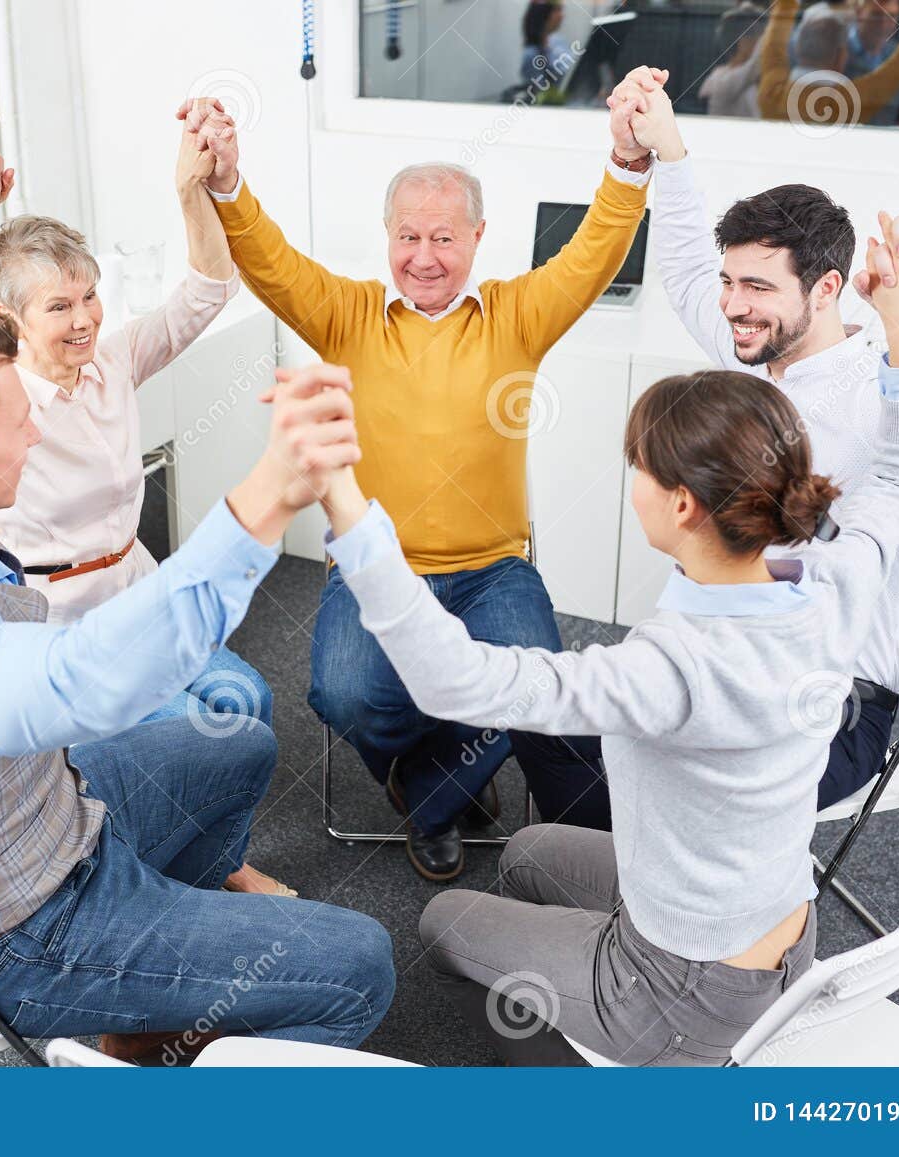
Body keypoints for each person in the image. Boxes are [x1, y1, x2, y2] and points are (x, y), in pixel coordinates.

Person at [315, 214, 899, 1065]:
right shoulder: (836, 579)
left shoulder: (669, 667)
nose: (634, 483)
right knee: (529, 852)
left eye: (640, 468)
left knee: (442, 920)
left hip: (686, 991)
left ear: (681, 503)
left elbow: (456, 680)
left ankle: (614, 1074)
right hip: (778, 934)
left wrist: (343, 502)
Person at [0, 311, 396, 1060]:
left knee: (240, 744)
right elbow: (90, 680)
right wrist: (271, 493)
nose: (36, 433)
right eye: (21, 421)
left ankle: (153, 1012)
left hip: (34, 816)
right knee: (362, 968)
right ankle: (163, 1063)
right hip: (24, 932)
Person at [174, 85, 658, 880]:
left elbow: (595, 250)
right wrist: (227, 181)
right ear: (388, 237)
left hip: (493, 569)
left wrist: (628, 161)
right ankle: (445, 773)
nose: (423, 257)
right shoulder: (347, 314)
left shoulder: (518, 314)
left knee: (538, 682)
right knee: (347, 694)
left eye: (442, 237)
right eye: (408, 236)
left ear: (477, 238)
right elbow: (270, 261)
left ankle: (430, 790)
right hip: (373, 566)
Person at [0, 119, 290, 897]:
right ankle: (156, 873)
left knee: (245, 697)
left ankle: (214, 860)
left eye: (89, 297)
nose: (84, 319)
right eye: (58, 306)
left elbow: (208, 291)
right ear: (9, 319)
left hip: (138, 589)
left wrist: (190, 190)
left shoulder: (113, 359)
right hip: (62, 627)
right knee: (201, 728)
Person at [609, 66, 899, 812]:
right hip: (737, 648)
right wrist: (667, 153)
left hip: (834, 699)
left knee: (646, 780)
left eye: (756, 287)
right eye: (730, 281)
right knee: (565, 741)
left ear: (826, 288)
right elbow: (682, 269)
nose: (732, 306)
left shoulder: (883, 391)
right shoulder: (755, 348)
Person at [760, 0, 899, 126]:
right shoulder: (847, 103)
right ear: (839, 57)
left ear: (798, 48)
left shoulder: (771, 92)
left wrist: (787, 4)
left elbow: (773, 48)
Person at [699, 3, 767, 119]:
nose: (766, 45)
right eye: (761, 36)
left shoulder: (747, 78)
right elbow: (756, 63)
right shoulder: (721, 80)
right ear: (744, 42)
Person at [520, 0, 575, 93]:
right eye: (557, 10)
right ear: (543, 14)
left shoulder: (558, 41)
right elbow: (539, 93)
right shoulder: (531, 55)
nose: (562, 15)